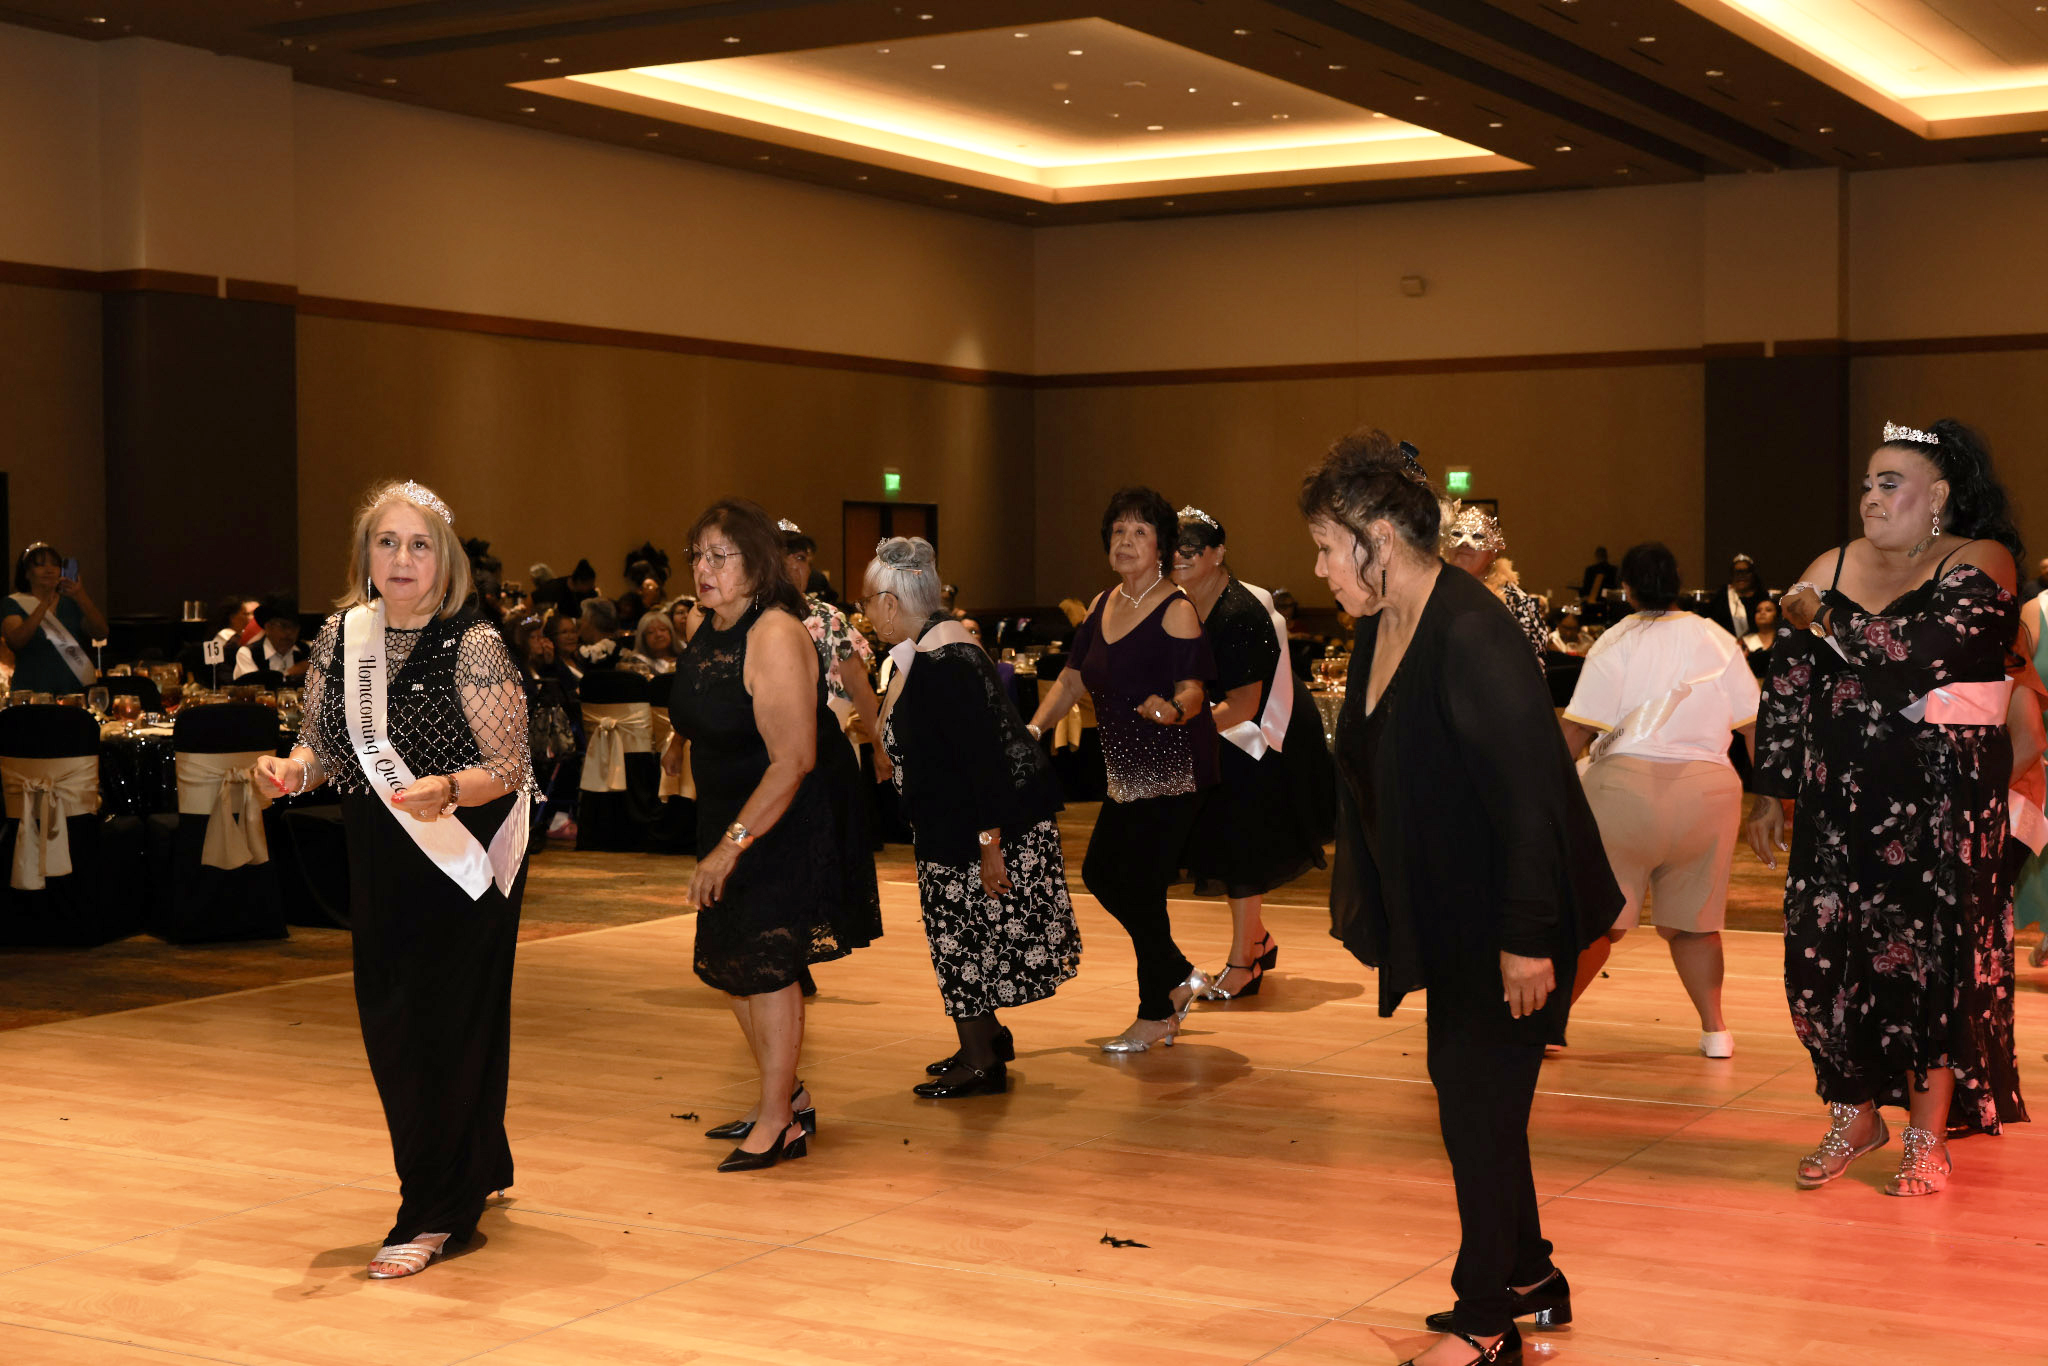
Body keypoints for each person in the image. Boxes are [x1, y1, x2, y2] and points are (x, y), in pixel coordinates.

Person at [1309, 429, 1621, 1366]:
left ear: (1379, 539)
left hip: (1515, 916)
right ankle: (1528, 1274)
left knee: (1477, 1110)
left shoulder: (1471, 628)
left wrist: (1527, 939)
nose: (1319, 568)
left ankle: (1489, 1324)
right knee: (1468, 1097)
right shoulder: (1382, 627)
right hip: (1456, 911)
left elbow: (1532, 792)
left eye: (1328, 547)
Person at [256, 479, 536, 1280]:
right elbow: (325, 743)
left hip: (464, 857)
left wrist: (448, 788)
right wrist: (293, 769)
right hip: (381, 854)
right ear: (365, 556)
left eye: (419, 544)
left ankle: (435, 1210)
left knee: (445, 1025)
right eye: (387, 543)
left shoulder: (472, 642)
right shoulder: (345, 636)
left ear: (443, 559)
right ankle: (474, 1161)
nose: (402, 558)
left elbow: (510, 766)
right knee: (395, 1018)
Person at [1750, 418, 2028, 1197]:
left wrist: (1822, 614)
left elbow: (1913, 657)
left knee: (1928, 965)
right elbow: (1788, 682)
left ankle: (1926, 1135)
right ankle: (1853, 1111)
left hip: (1938, 801)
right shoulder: (1832, 561)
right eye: (1867, 482)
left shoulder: (1981, 559)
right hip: (1836, 802)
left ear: (1937, 495)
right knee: (1818, 960)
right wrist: (1772, 788)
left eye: (1889, 482)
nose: (1870, 496)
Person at [662, 498, 881, 1171]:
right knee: (732, 966)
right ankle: (787, 1094)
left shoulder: (776, 633)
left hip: (779, 818)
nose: (703, 568)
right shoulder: (707, 624)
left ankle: (780, 1121)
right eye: (698, 554)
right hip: (728, 813)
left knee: (768, 966)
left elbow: (794, 760)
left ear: (756, 564)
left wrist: (732, 844)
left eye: (719, 556)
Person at [865, 537, 1080, 1097]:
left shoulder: (946, 661)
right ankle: (982, 1036)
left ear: (891, 603)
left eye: (868, 602)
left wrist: (990, 845)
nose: (865, 614)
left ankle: (982, 1060)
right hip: (955, 822)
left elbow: (984, 761)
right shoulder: (931, 649)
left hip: (973, 826)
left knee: (961, 938)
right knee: (960, 935)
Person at [1028, 487, 1217, 1051]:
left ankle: (1156, 1010)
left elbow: (1196, 693)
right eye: (1118, 532)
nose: (1126, 542)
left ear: (1161, 545)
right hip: (1126, 772)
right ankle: (1178, 975)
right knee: (1103, 876)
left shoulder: (1176, 609)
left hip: (1175, 770)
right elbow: (1071, 680)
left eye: (1139, 532)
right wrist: (1033, 730)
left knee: (1136, 884)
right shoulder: (1101, 603)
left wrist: (1171, 708)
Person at [1558, 543, 1758, 1058]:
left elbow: (1578, 727)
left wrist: (1539, 786)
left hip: (1626, 790)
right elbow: (1755, 726)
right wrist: (1771, 799)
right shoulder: (1716, 638)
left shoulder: (1616, 639)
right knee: (1696, 924)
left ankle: (1545, 1026)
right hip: (1710, 795)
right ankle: (1716, 1031)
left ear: (1626, 587)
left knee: (1603, 917)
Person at [1170, 507, 1335, 1000]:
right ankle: (1256, 940)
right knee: (1228, 838)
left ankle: (1245, 960)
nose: (1179, 557)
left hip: (1260, 727)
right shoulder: (1177, 602)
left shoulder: (1239, 610)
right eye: (1173, 548)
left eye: (1191, 548)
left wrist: (1179, 733)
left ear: (1217, 554)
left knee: (1242, 841)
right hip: (1218, 724)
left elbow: (1245, 703)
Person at [778, 520, 886, 777]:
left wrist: (881, 748)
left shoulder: (828, 618)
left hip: (828, 749)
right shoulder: (747, 618)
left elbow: (859, 687)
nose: (794, 566)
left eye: (802, 558)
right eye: (784, 557)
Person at [1445, 506, 1547, 663]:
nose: (1465, 543)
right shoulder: (1429, 591)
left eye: (1478, 535)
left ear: (1494, 550)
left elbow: (1531, 670)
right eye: (1457, 533)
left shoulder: (1516, 603)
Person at [3, 543, 108, 695]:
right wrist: (44, 603)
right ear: (26, 573)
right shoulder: (12, 603)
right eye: (40, 565)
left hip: (74, 689)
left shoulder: (70, 602)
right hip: (32, 689)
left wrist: (80, 594)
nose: (49, 569)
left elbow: (101, 632)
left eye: (55, 564)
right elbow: (16, 641)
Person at [233, 595, 309, 681]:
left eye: (294, 627)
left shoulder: (305, 652)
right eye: (283, 626)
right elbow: (252, 687)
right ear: (268, 627)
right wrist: (288, 674)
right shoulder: (248, 653)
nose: (289, 632)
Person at [1706, 552, 1768, 641]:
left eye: (1746, 572)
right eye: (1737, 572)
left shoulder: (1762, 597)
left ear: (1753, 575)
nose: (1741, 576)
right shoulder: (1722, 597)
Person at [622, 610, 682, 676]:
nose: (658, 634)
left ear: (671, 633)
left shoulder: (685, 656)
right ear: (643, 638)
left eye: (662, 629)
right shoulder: (637, 663)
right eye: (651, 632)